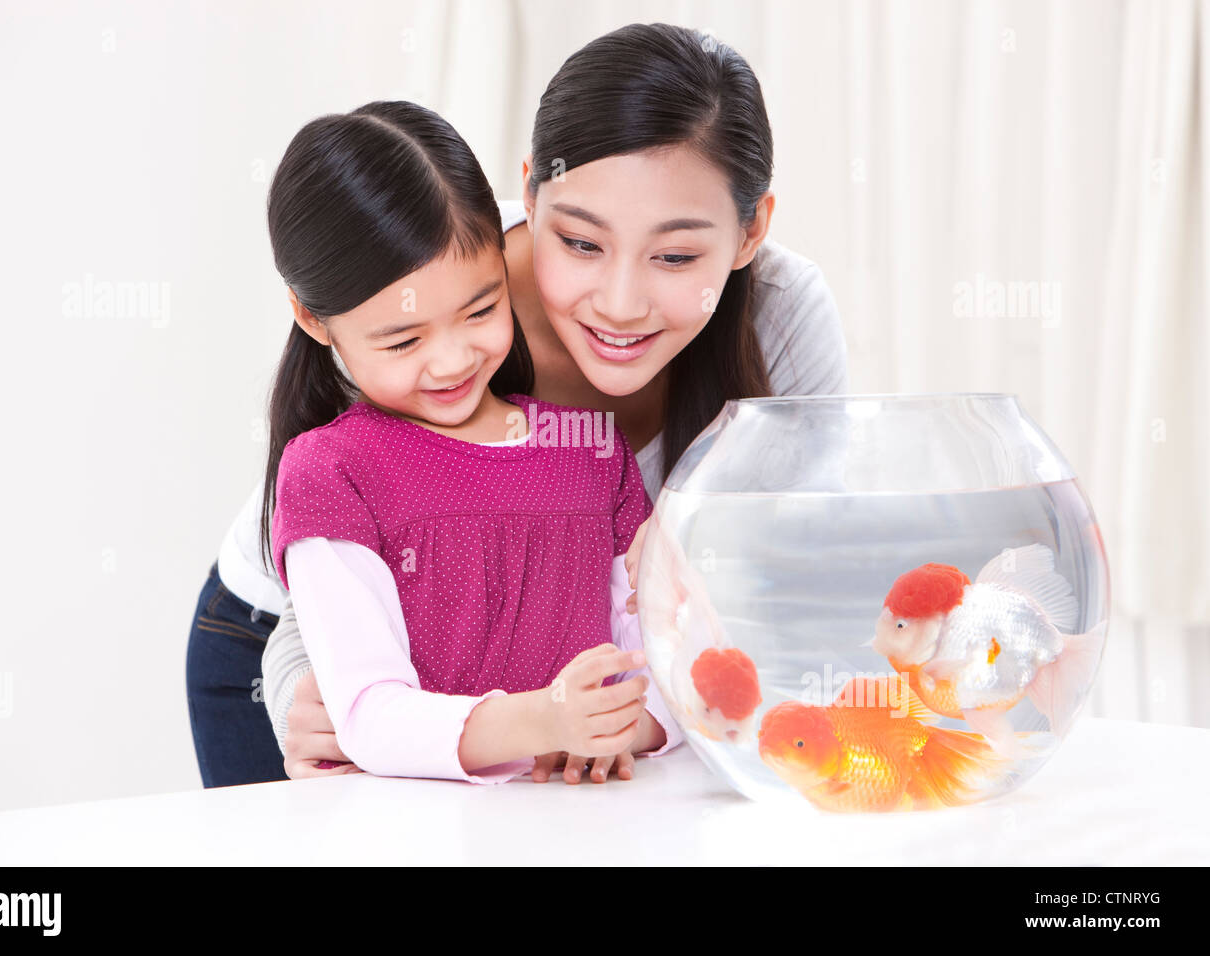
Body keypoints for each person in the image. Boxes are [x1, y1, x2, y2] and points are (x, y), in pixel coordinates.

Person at [186, 22, 849, 787]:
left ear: (751, 231)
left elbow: (778, 566)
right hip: (291, 638)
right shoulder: (422, 291)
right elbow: (332, 554)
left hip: (537, 689)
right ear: (532, 194)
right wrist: (309, 693)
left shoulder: (782, 316)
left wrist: (624, 706)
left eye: (674, 256)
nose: (622, 304)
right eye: (580, 243)